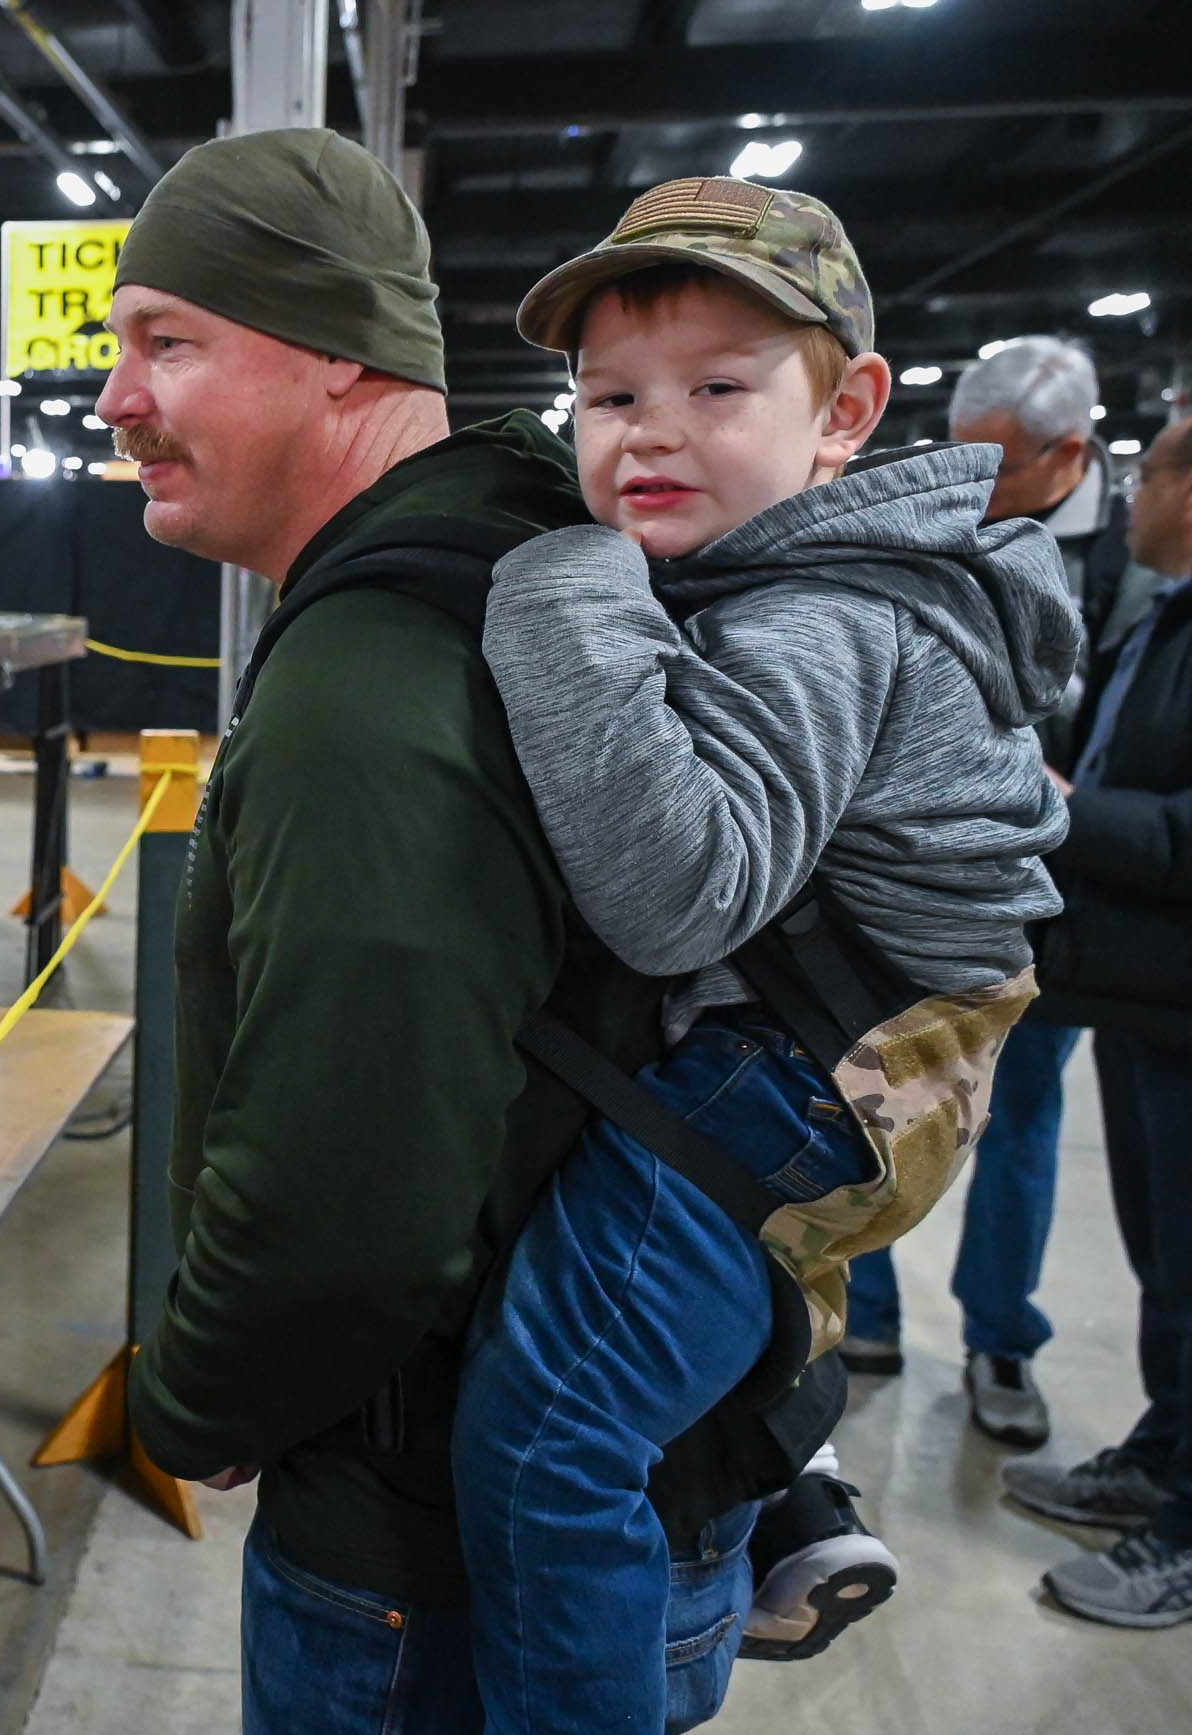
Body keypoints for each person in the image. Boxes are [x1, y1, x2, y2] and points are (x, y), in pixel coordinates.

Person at [106, 131, 831, 1735]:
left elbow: (343, 1189)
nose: (117, 399)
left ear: (342, 360)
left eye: (169, 342)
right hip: (611, 1490)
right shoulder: (530, 539)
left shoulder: (374, 676)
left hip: (423, 1559)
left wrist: (189, 1394)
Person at [454, 184, 1075, 1731]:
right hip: (865, 1054)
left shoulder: (822, 612)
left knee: (547, 1428)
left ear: (845, 412)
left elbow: (678, 895)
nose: (648, 434)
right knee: (701, 1296)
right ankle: (794, 1480)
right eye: (608, 398)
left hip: (813, 1070)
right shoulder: (817, 575)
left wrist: (561, 584)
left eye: (717, 387)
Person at [843, 338, 1171, 1446]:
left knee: (1022, 1119)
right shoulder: (946, 530)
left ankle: (999, 1342)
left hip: (1070, 905)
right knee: (880, 1107)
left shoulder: (1147, 562)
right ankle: (865, 1319)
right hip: (926, 887)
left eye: (1004, 464)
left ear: (1070, 452)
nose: (977, 483)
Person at [1000, 414, 1192, 1627]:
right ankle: (1168, 1455)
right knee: (1165, 1263)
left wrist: (1063, 807)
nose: (1138, 493)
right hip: (1144, 997)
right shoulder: (1164, 618)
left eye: (1159, 469)